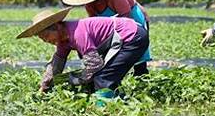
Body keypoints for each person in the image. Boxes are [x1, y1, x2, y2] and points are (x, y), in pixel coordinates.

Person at [16, 7, 149, 101]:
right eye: (42, 39)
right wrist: (45, 84)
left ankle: (107, 109)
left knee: (103, 78)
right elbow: (57, 63)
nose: (46, 41)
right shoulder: (63, 40)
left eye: (46, 36)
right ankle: (116, 99)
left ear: (57, 27)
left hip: (132, 36)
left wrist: (76, 79)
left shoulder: (77, 33)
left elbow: (94, 65)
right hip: (125, 38)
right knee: (99, 77)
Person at [62, 0, 151, 76]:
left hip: (132, 20)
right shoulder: (89, 4)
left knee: (137, 56)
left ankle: (141, 76)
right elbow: (94, 23)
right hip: (112, 25)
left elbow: (127, 19)